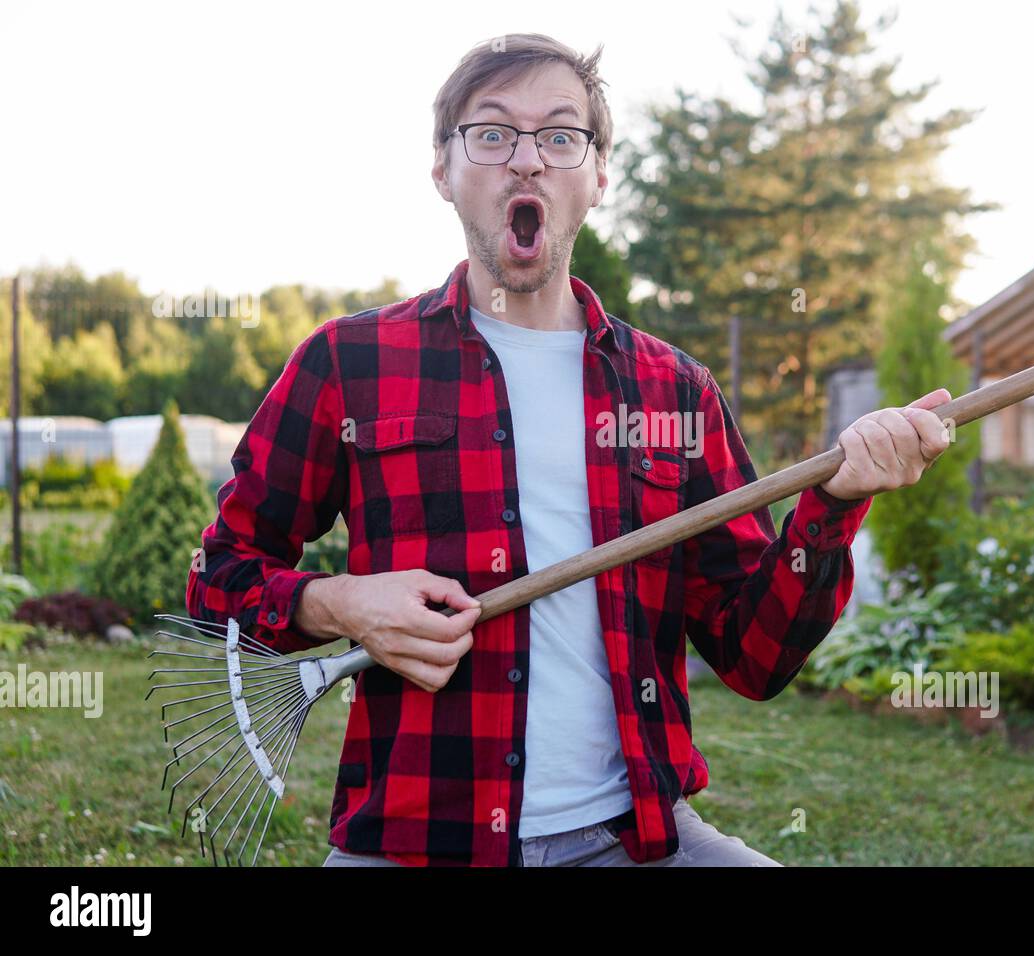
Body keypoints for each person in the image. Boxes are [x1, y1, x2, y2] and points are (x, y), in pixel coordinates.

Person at [186, 32, 951, 868]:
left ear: (598, 176)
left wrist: (834, 504)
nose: (527, 162)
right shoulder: (349, 364)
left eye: (559, 135)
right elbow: (218, 582)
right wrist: (340, 604)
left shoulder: (674, 393)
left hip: (635, 841)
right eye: (491, 133)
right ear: (443, 171)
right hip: (415, 841)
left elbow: (755, 656)